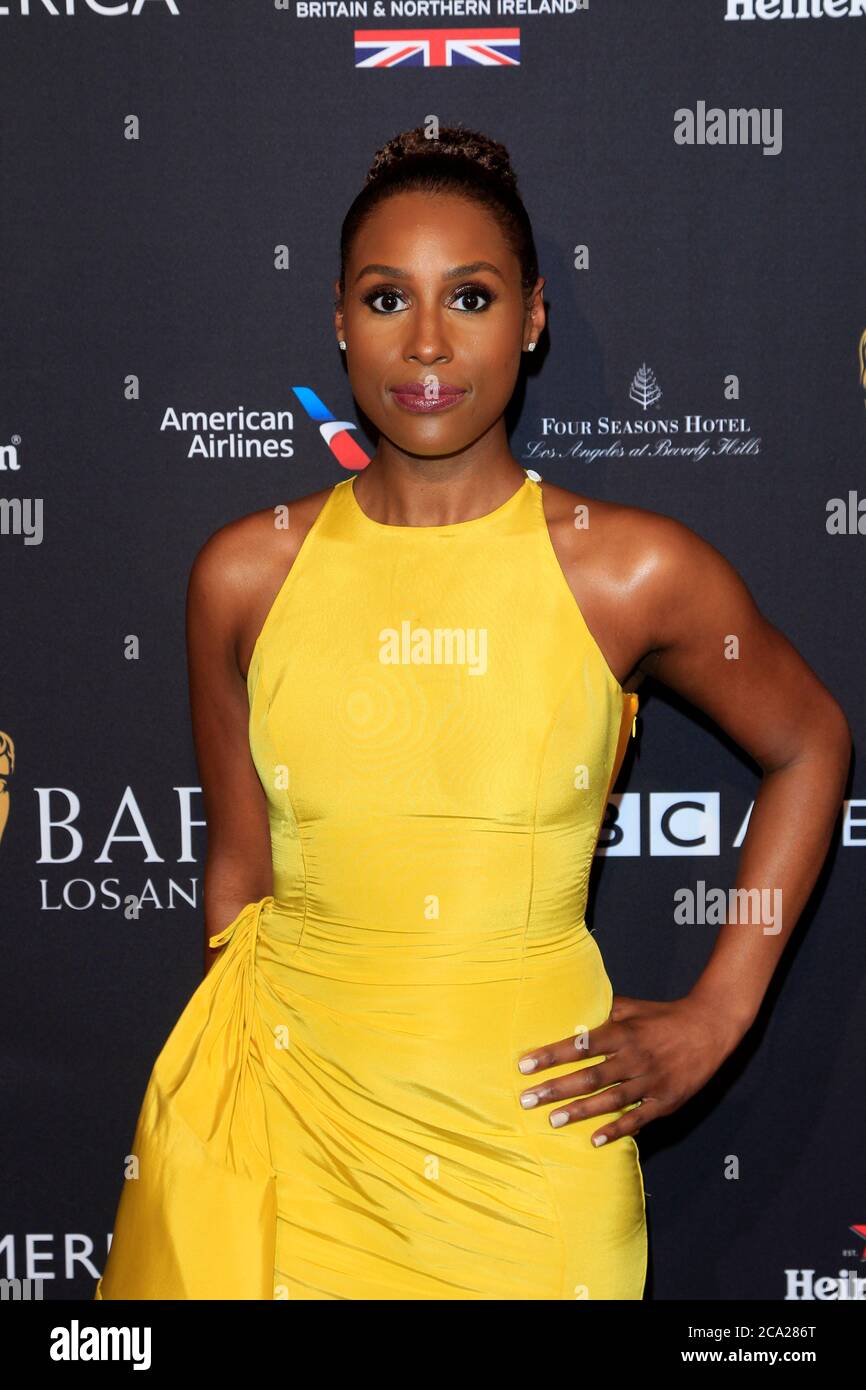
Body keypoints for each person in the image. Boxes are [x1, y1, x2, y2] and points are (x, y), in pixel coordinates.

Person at [94, 124, 851, 1301]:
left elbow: (808, 741)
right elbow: (234, 882)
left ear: (533, 317)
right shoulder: (245, 574)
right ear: (338, 320)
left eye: (474, 296)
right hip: (284, 1148)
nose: (429, 343)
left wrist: (720, 1010)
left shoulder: (629, 571)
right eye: (388, 297)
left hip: (529, 1153)